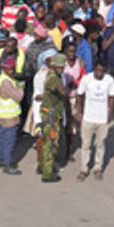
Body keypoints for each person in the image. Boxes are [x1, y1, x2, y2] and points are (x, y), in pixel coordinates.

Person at [76, 59, 114, 181]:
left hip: (102, 119)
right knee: (86, 145)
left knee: (100, 144)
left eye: (102, 71)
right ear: (94, 69)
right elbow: (79, 95)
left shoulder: (109, 80)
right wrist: (79, 112)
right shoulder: (86, 79)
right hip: (88, 117)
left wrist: (109, 113)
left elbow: (111, 98)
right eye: (98, 70)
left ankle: (98, 168)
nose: (99, 73)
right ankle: (84, 169)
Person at [34, 55, 67, 183]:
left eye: (62, 67)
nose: (61, 69)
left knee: (45, 141)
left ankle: (42, 166)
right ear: (54, 66)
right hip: (51, 116)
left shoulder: (52, 75)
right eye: (59, 67)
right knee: (50, 143)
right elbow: (61, 90)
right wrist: (66, 89)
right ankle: (47, 174)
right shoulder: (54, 78)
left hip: (49, 113)